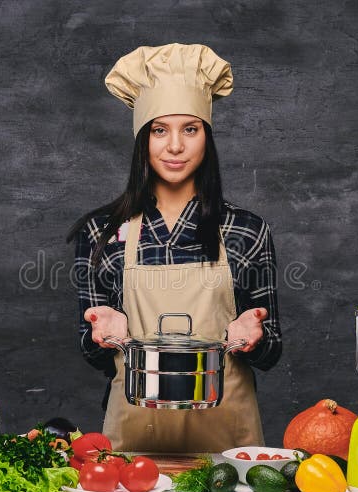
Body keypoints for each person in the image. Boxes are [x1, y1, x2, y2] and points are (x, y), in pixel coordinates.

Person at [67, 43, 282, 452]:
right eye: (159, 130)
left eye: (190, 129)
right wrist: (103, 334)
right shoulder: (101, 232)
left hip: (228, 454)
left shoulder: (245, 230)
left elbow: (271, 354)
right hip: (134, 454)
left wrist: (255, 337)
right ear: (142, 138)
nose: (175, 146)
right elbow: (91, 355)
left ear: (207, 136)